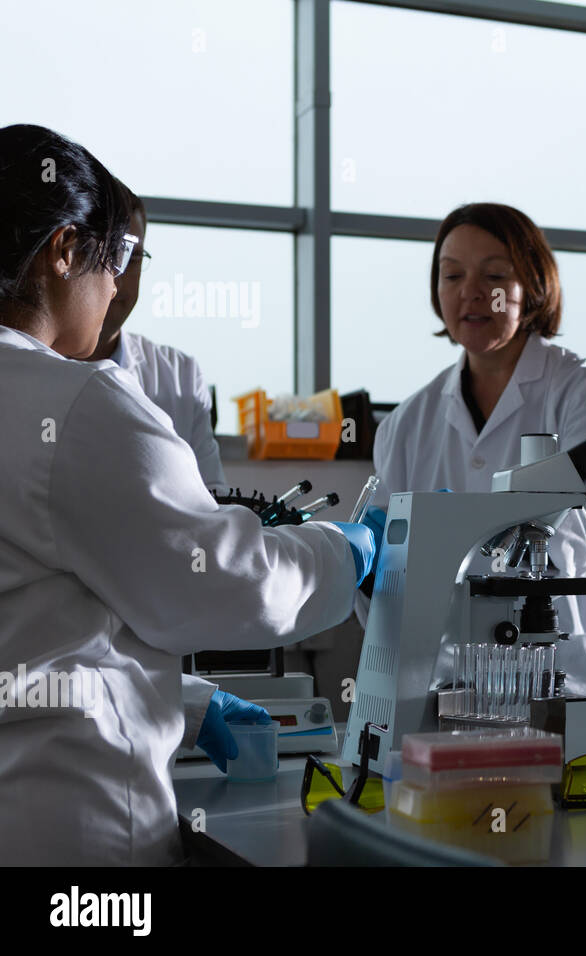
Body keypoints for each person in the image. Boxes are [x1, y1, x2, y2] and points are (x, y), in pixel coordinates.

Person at [0, 124, 377, 865]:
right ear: (66, 250)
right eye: (113, 266)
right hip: (74, 822)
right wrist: (344, 553)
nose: (115, 295)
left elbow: (37, 616)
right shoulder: (74, 403)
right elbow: (226, 580)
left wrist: (194, 702)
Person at [361, 203, 586, 689]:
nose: (470, 293)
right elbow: (390, 574)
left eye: (493, 275)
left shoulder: (585, 389)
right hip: (451, 682)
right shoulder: (406, 423)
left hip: (574, 670)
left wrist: (479, 554)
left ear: (530, 286)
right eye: (451, 276)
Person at [85, 180, 225, 486]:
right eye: (107, 255)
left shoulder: (180, 377)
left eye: (132, 259)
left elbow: (213, 502)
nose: (116, 280)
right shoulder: (29, 369)